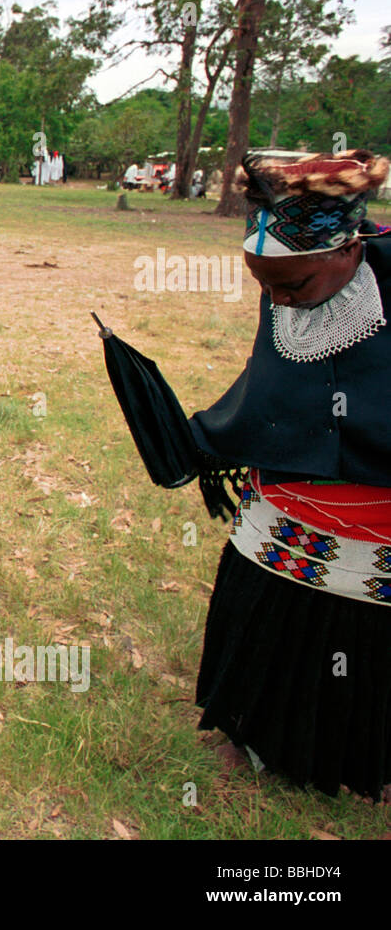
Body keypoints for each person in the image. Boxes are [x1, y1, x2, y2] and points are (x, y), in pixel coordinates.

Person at [185, 149, 391, 800]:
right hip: (287, 502)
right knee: (268, 577)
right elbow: (272, 389)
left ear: (345, 251)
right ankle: (254, 728)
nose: (278, 303)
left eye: (292, 288)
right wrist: (212, 438)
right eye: (264, 288)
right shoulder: (289, 282)